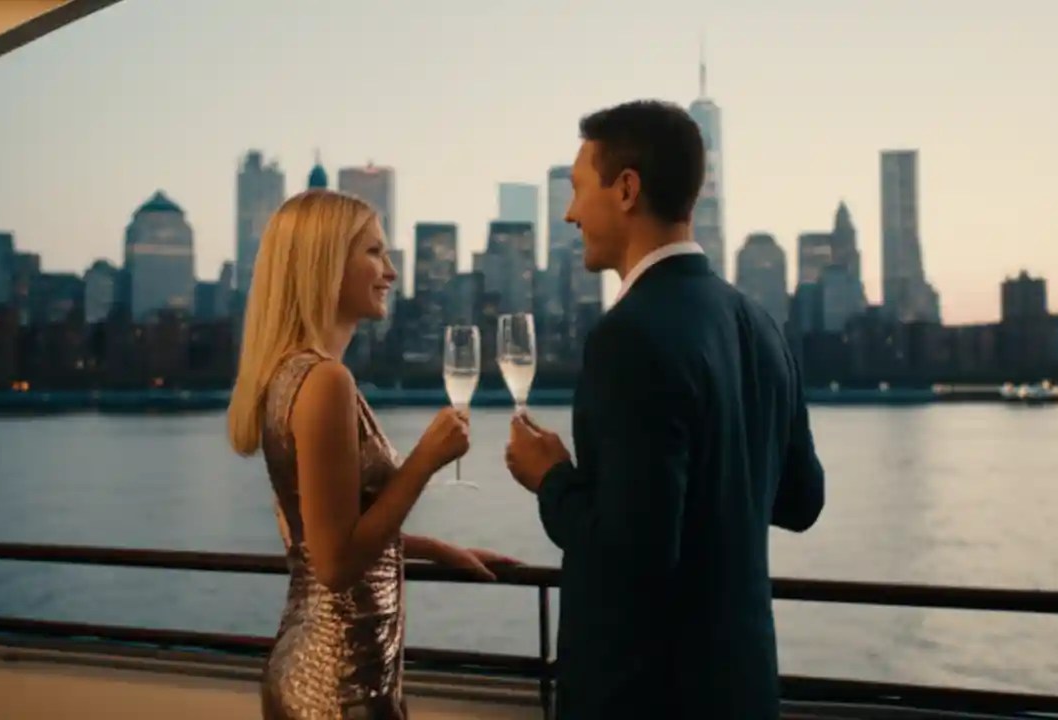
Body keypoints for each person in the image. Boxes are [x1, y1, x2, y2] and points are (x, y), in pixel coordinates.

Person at [505, 100, 826, 719]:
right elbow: (800, 501)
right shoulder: (761, 325)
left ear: (626, 189)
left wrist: (551, 479)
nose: (570, 213)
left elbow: (633, 561)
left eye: (577, 189)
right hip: (747, 693)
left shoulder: (629, 335)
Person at [228, 189, 518, 720]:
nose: (390, 271)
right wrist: (425, 460)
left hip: (322, 671)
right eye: (374, 253)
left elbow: (318, 532)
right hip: (337, 685)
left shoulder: (292, 375)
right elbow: (335, 564)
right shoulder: (324, 382)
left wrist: (437, 549)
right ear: (325, 264)